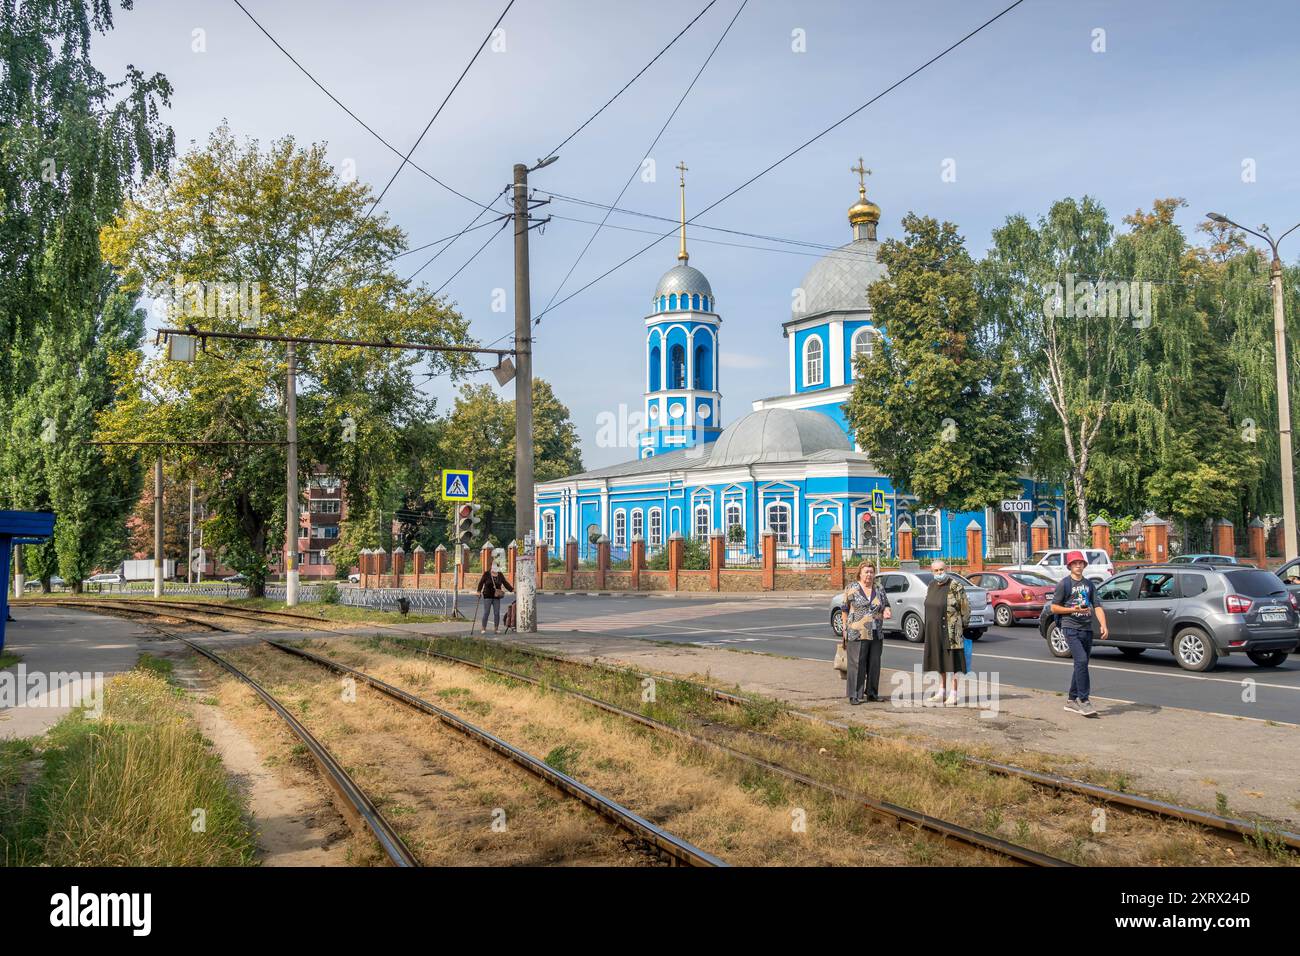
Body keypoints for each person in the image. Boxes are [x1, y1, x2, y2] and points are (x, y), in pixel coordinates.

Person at [1049, 550, 1108, 717]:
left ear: (1084, 565)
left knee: (1081, 664)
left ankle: (1070, 700)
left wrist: (1103, 624)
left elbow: (1097, 605)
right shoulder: (1064, 584)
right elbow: (1054, 607)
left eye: (1080, 563)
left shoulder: (1089, 585)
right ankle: (1084, 700)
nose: (1078, 565)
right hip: (1070, 627)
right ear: (1070, 566)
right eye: (1075, 563)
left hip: (1086, 628)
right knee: (1081, 660)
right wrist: (1071, 609)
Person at [841, 563, 892, 704]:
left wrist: (887, 610)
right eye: (866, 572)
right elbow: (844, 609)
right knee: (857, 664)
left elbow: (886, 604)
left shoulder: (879, 588)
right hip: (856, 632)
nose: (869, 574)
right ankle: (854, 695)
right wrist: (845, 628)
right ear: (860, 573)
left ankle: (872, 693)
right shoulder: (851, 588)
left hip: (876, 632)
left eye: (871, 572)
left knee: (874, 664)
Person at [922, 559, 970, 705]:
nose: (939, 573)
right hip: (934, 630)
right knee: (939, 661)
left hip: (951, 631)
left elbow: (965, 608)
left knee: (953, 663)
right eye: (936, 571)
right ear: (932, 572)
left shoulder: (955, 586)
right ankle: (941, 691)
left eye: (941, 570)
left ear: (946, 569)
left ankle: (953, 693)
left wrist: (962, 626)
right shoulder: (931, 585)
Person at [475, 561, 513, 633]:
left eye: (496, 566)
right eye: (493, 566)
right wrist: (478, 591)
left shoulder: (500, 575)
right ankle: (483, 628)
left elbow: (505, 583)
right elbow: (481, 583)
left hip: (496, 596)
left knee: (496, 613)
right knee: (486, 612)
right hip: (487, 595)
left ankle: (496, 629)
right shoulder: (487, 574)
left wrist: (512, 589)